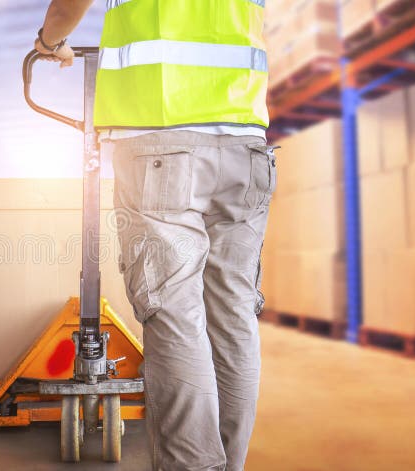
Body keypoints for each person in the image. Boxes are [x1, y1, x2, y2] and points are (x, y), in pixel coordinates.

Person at [36, 1, 276, 470]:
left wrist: (49, 43)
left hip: (162, 142)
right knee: (233, 314)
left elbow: (68, 5)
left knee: (174, 313)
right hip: (245, 147)